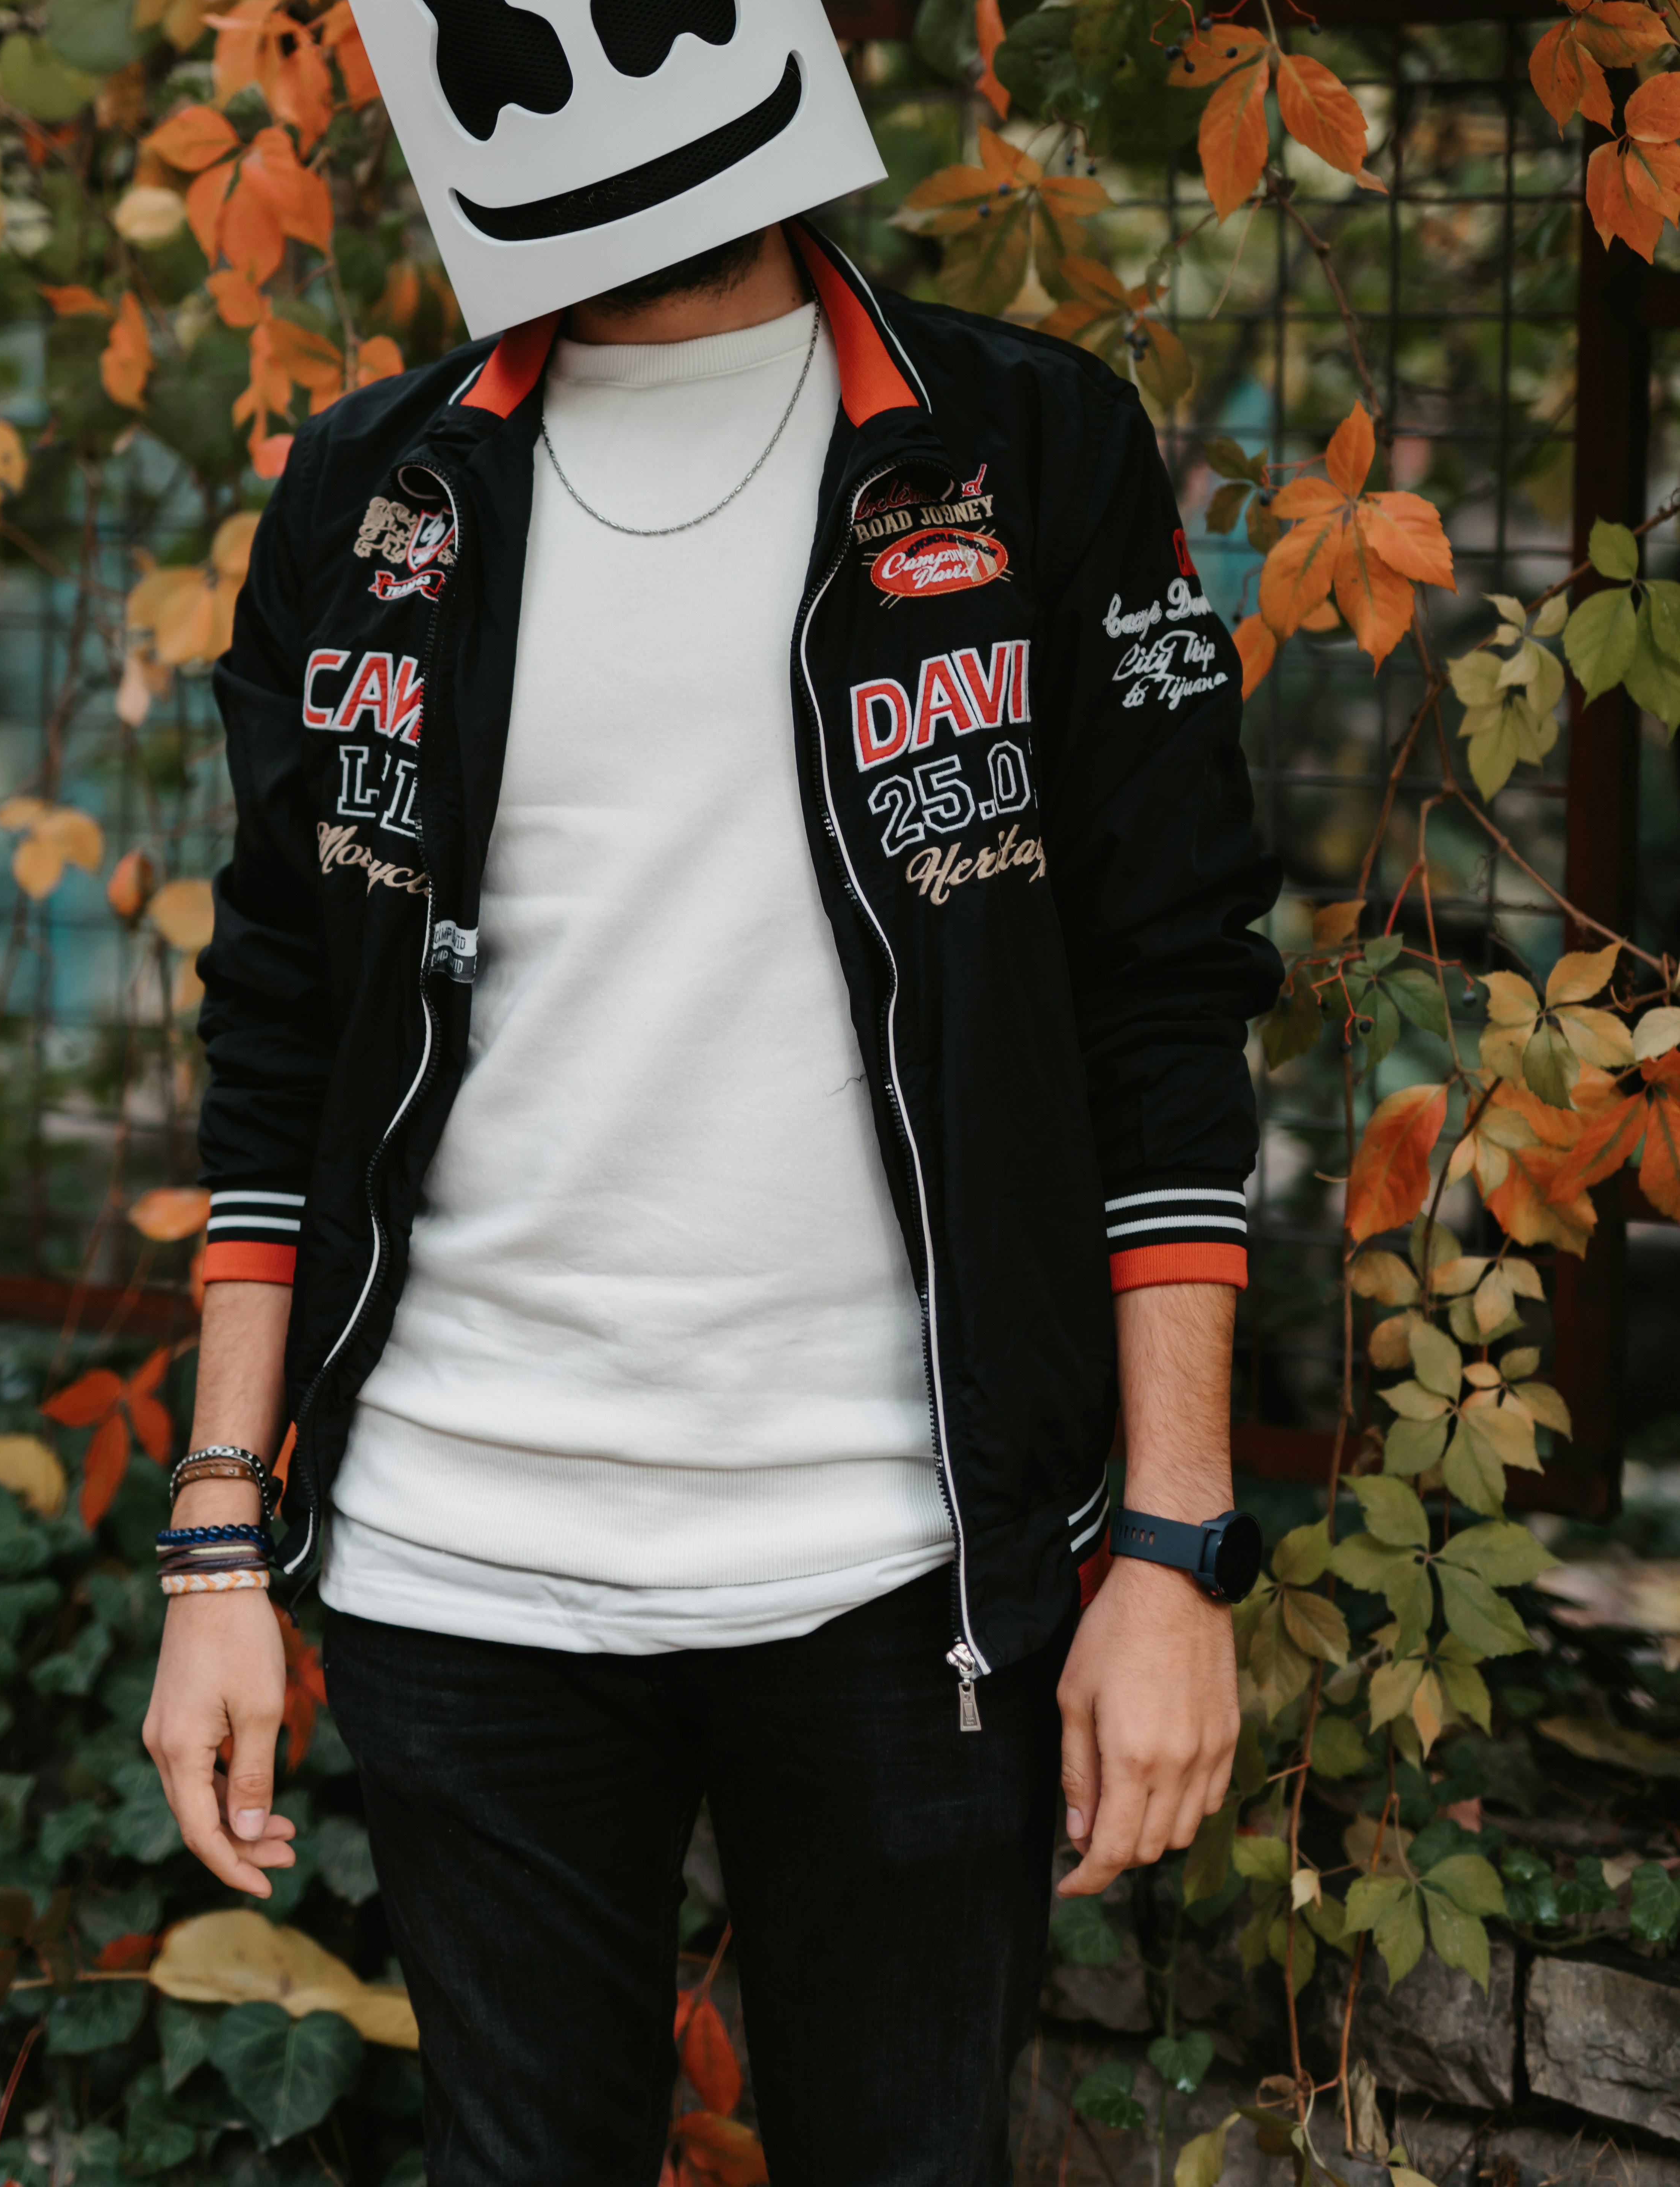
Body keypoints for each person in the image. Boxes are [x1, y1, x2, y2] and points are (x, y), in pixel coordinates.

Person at [142, 200, 1282, 2187]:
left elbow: (1160, 1000)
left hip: (904, 1570)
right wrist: (217, 1547)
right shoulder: (369, 488)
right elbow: (274, 1039)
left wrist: (1172, 1553)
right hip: (450, 1552)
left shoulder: (1019, 449)